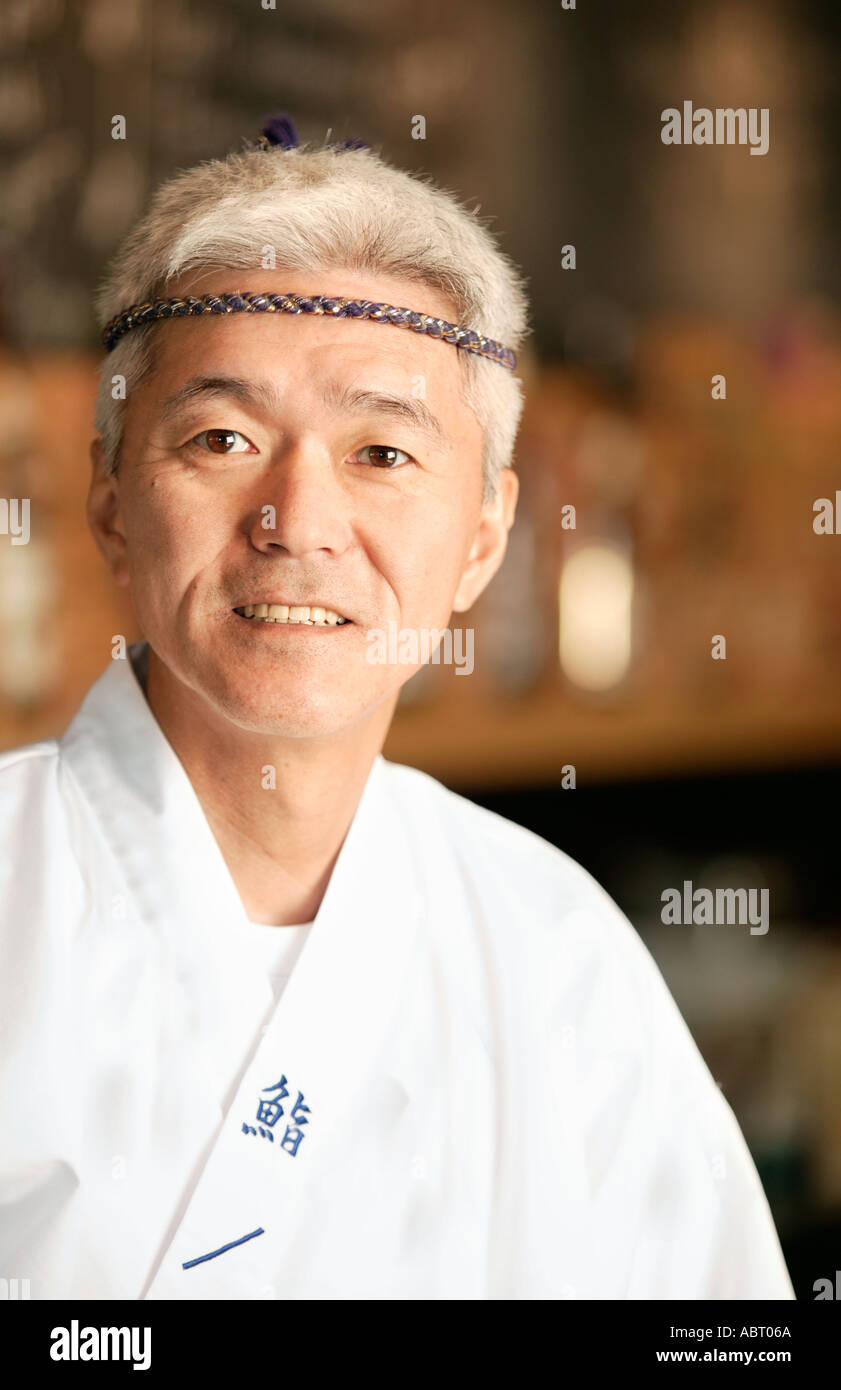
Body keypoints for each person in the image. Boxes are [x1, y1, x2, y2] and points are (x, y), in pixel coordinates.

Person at [0, 115, 793, 1300]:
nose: (299, 519)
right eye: (223, 437)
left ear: (482, 537)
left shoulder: (553, 949)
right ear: (111, 503)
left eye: (382, 454)